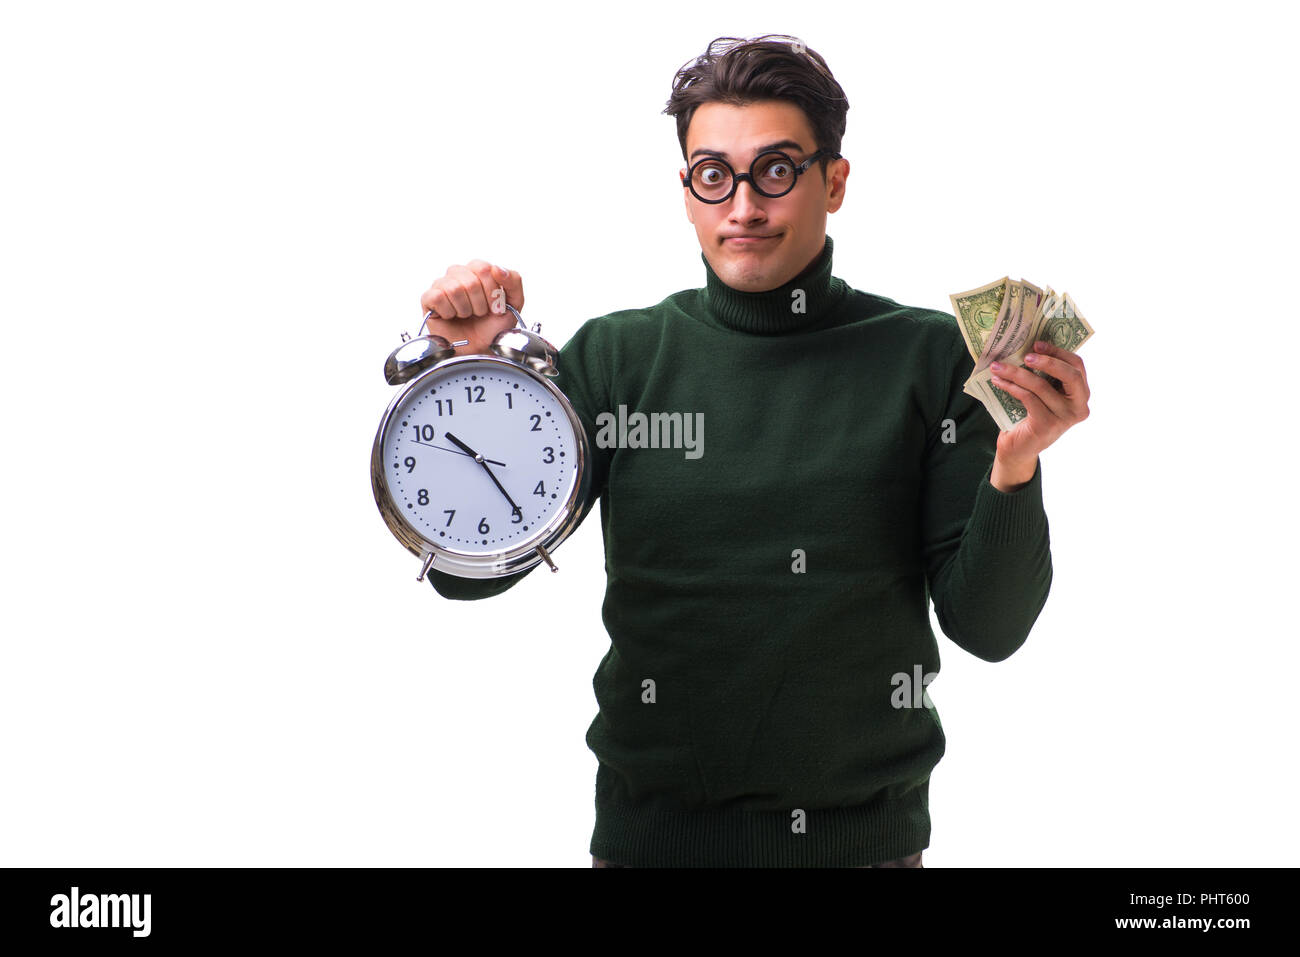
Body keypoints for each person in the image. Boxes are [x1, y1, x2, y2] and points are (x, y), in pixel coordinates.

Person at [417, 34, 1090, 868]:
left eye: (776, 170)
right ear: (687, 191)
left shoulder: (929, 360)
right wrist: (469, 379)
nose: (743, 206)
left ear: (834, 182)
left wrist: (1015, 465)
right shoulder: (616, 358)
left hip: (865, 851)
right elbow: (462, 573)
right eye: (713, 175)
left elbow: (989, 629)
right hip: (648, 847)